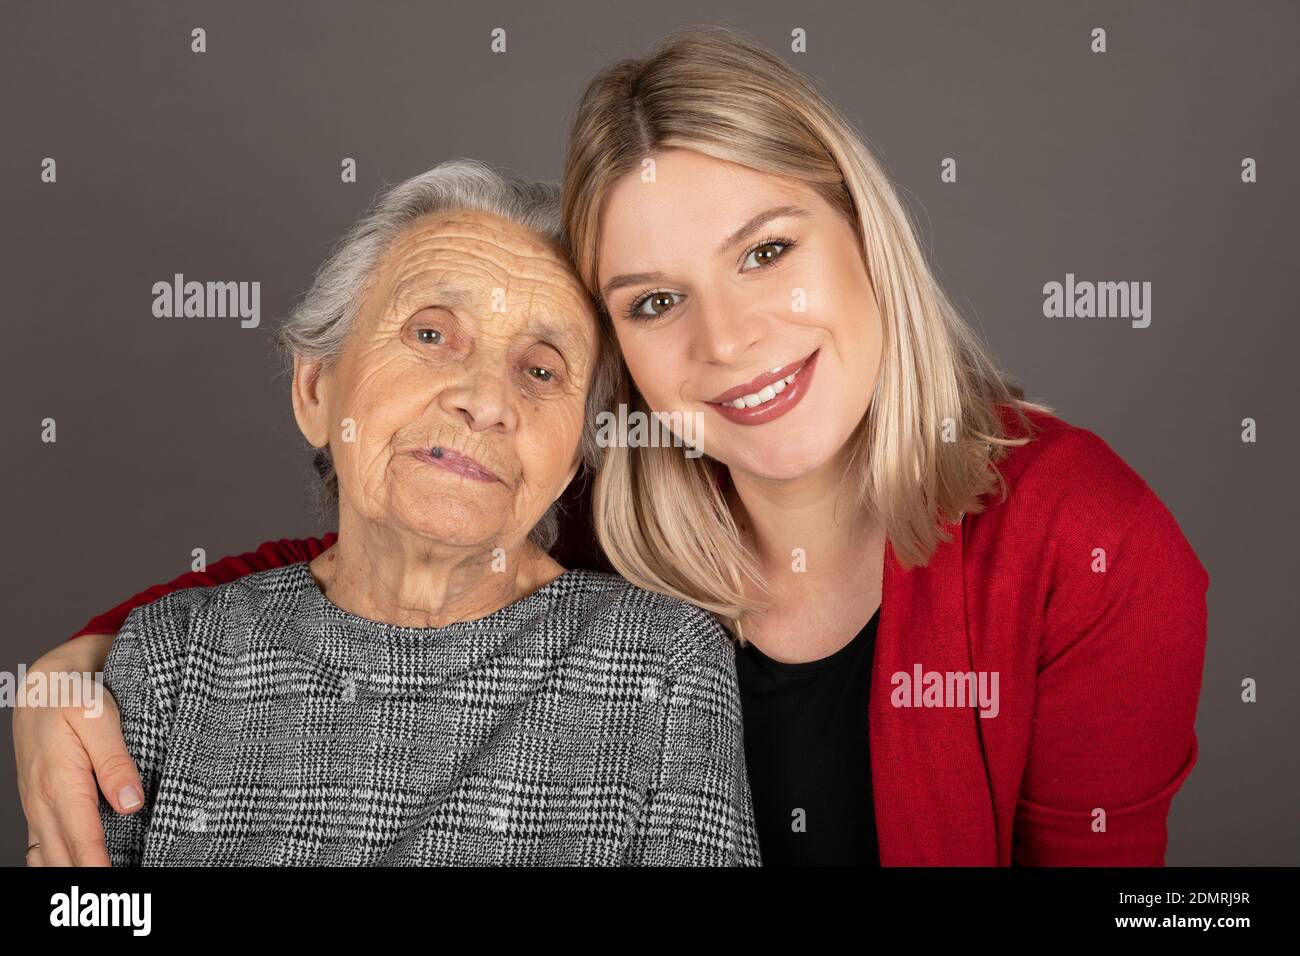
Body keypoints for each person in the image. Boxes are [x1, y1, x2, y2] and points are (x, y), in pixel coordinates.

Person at [16, 27, 1207, 867]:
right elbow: (350, 568)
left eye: (765, 251)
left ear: (863, 231)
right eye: (650, 301)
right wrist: (86, 658)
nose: (731, 339)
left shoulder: (1084, 540)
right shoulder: (600, 490)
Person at [18, 159, 761, 866]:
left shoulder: (663, 667)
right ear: (315, 391)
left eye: (541, 370)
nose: (487, 400)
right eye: (431, 334)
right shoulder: (173, 659)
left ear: (572, 456)